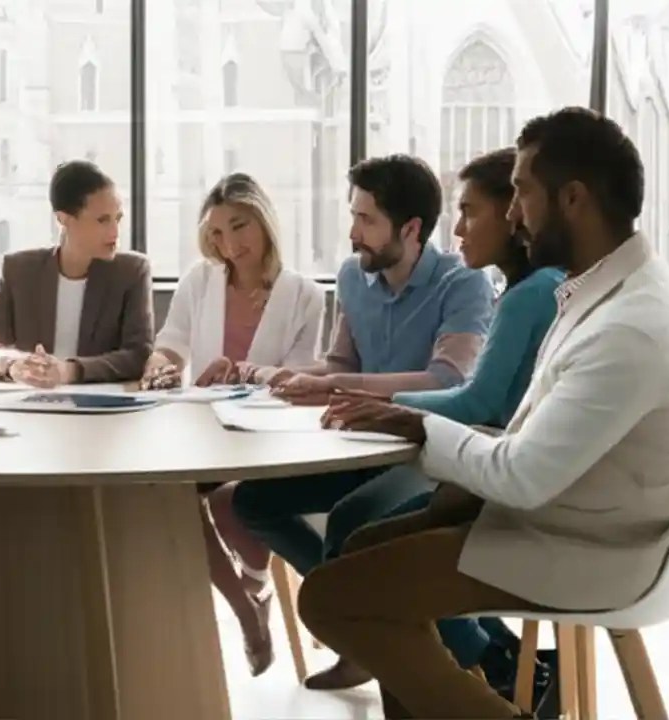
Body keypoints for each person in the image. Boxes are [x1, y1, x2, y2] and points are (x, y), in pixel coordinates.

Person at [300, 107, 669, 719]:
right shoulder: (604, 293)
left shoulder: (632, 327)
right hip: (579, 519)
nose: (511, 212)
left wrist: (422, 424)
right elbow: (529, 441)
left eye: (522, 191)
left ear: (573, 198)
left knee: (334, 599)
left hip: (593, 547)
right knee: (362, 552)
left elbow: (524, 477)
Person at [298, 148, 564, 693]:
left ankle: (494, 666)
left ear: (514, 217)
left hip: (494, 469)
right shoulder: (536, 287)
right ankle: (484, 661)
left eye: (470, 212)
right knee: (345, 526)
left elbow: (474, 403)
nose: (459, 228)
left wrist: (392, 410)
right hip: (495, 460)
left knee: (362, 532)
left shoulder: (523, 295)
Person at [226, 154, 493, 678]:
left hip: (429, 453)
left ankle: (468, 652)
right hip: (359, 448)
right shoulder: (353, 277)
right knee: (251, 501)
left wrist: (334, 384)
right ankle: (365, 627)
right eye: (353, 216)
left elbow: (447, 381)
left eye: (366, 220)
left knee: (353, 522)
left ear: (411, 228)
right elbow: (340, 365)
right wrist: (273, 377)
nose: (352, 233)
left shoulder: (463, 284)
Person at [140, 173, 325, 677]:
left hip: (265, 438)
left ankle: (256, 580)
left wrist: (243, 375)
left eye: (239, 226)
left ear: (263, 220)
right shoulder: (201, 280)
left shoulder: (304, 294)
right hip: (202, 430)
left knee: (233, 499)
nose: (230, 243)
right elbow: (172, 340)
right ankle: (247, 611)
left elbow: (299, 379)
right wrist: (161, 365)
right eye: (217, 233)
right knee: (171, 495)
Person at [0, 160, 153, 386]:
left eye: (118, 219)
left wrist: (69, 371)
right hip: (29, 403)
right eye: (102, 220)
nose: (115, 232)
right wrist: (13, 365)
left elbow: (138, 356)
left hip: (100, 409)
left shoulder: (131, 272)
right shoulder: (18, 270)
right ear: (63, 219)